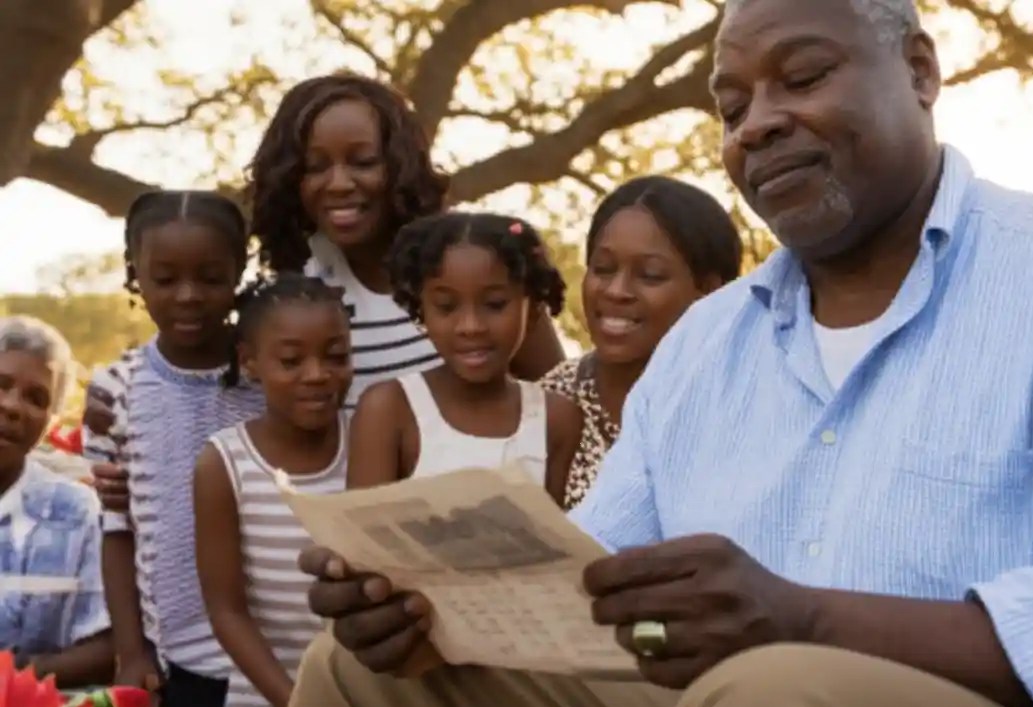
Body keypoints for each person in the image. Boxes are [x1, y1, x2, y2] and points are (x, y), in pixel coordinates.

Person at [289, 0, 1033, 707]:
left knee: (768, 690)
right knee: (362, 674)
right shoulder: (704, 346)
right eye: (731, 105)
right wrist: (429, 610)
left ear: (919, 71)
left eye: (802, 76)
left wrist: (808, 619)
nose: (756, 123)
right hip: (727, 702)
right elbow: (595, 587)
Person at [86, 73, 565, 510]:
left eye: (363, 162)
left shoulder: (476, 269)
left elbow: (560, 400)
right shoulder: (299, 286)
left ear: (399, 165)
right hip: (353, 532)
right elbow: (230, 397)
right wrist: (139, 461)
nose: (338, 183)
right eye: (314, 167)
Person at [84, 190, 264, 707]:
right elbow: (117, 529)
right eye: (165, 279)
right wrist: (132, 651)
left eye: (210, 278)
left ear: (239, 272)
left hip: (279, 644)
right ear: (134, 275)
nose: (188, 296)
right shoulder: (116, 390)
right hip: (176, 659)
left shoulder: (271, 374)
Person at [194, 274, 352, 707]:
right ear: (249, 362)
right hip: (266, 704)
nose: (317, 375)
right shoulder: (224, 464)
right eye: (291, 361)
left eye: (336, 356)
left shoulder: (371, 444)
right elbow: (227, 612)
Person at [348, 212, 582, 506]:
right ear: (421, 309)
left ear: (533, 309)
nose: (470, 326)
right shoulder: (390, 409)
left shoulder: (557, 419)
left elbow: (559, 529)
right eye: (446, 306)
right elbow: (358, 530)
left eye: (494, 304)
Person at [540, 176, 743, 508]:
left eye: (650, 275)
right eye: (603, 269)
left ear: (709, 291)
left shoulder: (748, 403)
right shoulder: (546, 407)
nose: (616, 291)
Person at [0, 316, 113, 689]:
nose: (12, 406)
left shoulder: (76, 512)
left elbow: (106, 647)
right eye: (1, 385)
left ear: (51, 422)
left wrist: (16, 677)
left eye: (36, 398)